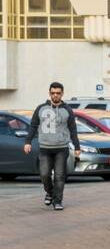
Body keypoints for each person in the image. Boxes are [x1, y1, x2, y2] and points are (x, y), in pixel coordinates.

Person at [24, 81, 80, 210]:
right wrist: (27, 142)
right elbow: (33, 126)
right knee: (44, 174)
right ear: (49, 93)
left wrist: (77, 147)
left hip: (62, 148)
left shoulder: (67, 110)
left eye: (58, 93)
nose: (55, 95)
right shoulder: (41, 108)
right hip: (45, 148)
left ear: (62, 94)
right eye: (53, 93)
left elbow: (73, 129)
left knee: (60, 176)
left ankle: (57, 201)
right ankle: (50, 192)